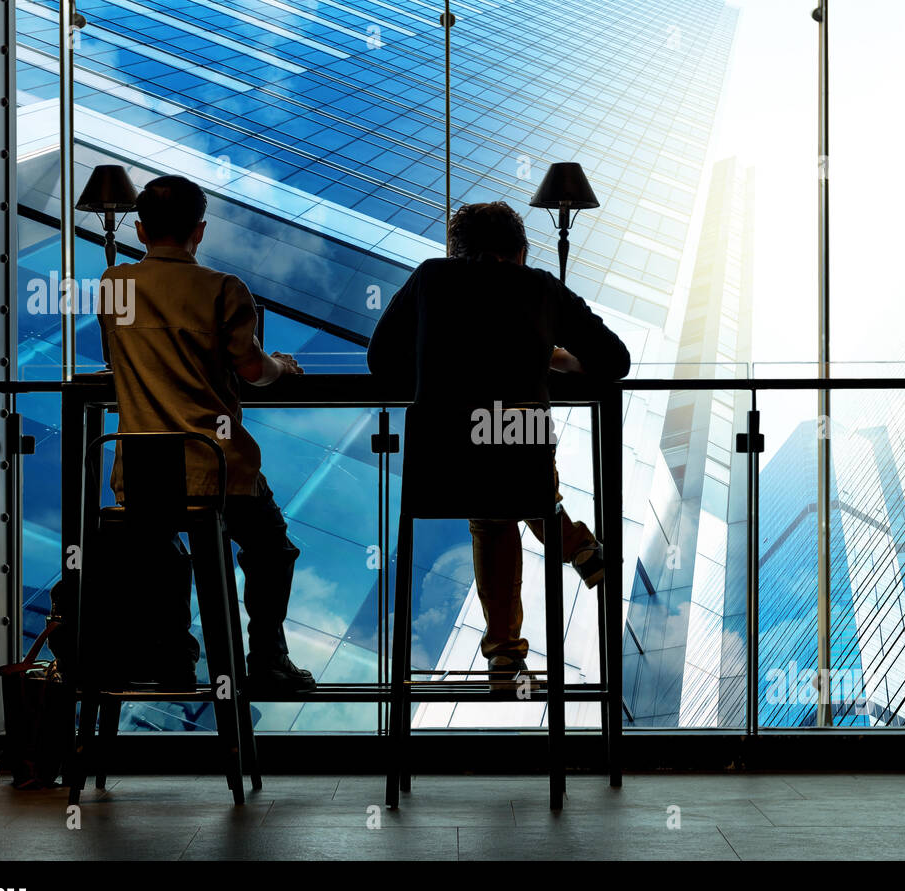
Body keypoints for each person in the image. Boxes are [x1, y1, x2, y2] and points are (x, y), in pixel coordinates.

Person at [366, 201, 631, 688]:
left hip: (440, 465)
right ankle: (576, 553)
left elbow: (381, 361)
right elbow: (615, 360)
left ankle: (506, 650)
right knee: (515, 487)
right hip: (519, 455)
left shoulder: (430, 278)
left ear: (455, 250)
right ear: (523, 251)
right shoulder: (541, 289)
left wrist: (436, 369)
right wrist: (549, 356)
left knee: (491, 509)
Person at [95, 174, 316, 695]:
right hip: (217, 470)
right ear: (200, 231)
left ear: (142, 231)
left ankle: (171, 657)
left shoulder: (114, 285)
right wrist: (282, 366)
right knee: (272, 550)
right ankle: (267, 660)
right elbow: (252, 371)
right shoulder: (224, 290)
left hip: (143, 473)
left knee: (163, 548)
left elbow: (113, 356)